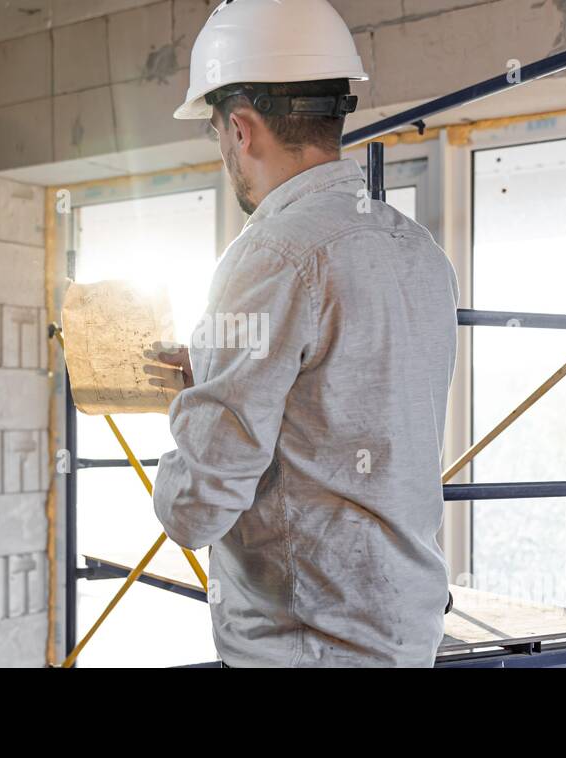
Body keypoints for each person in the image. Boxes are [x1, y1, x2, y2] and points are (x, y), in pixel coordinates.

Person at [148, 0, 460, 667]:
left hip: (306, 645)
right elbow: (341, 408)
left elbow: (195, 509)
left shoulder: (271, 255)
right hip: (401, 636)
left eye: (216, 134)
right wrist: (221, 370)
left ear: (241, 128)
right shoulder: (417, 249)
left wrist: (195, 417)